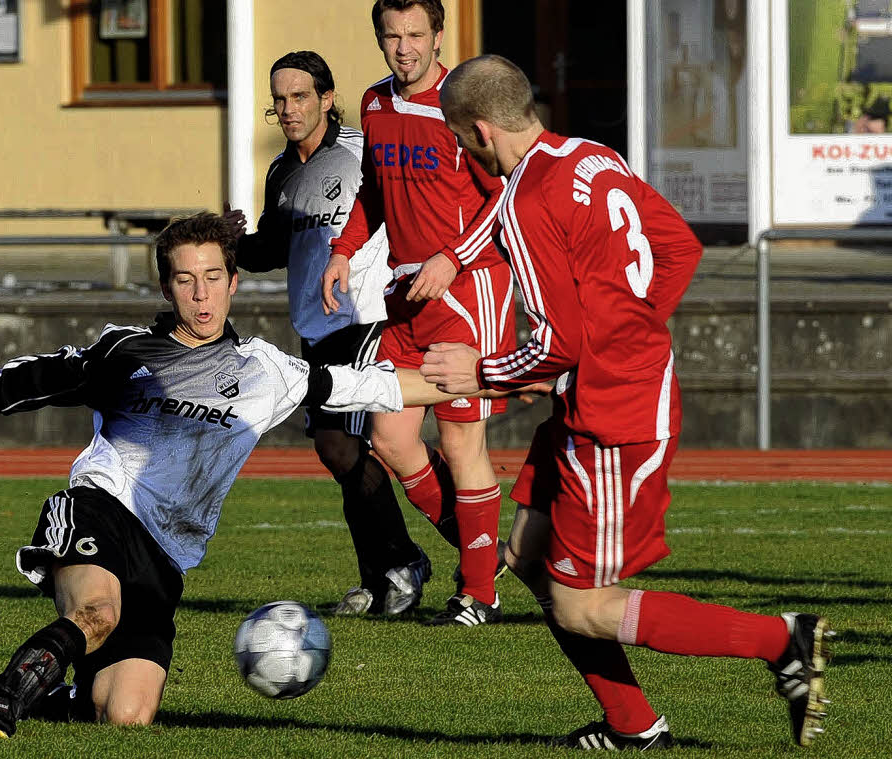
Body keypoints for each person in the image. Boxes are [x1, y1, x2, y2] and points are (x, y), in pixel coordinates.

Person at [0, 211, 523, 739]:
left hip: (169, 555)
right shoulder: (127, 352)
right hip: (102, 509)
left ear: (234, 282)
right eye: (186, 281)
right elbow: (30, 381)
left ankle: (46, 698)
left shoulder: (267, 371)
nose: (201, 294)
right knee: (98, 612)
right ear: (167, 289)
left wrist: (498, 374)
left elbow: (378, 387)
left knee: (126, 716)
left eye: (213, 278)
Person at [422, 55, 833, 749]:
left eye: (461, 139)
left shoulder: (525, 202)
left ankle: (782, 639)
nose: (464, 153)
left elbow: (559, 343)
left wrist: (479, 370)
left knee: (582, 606)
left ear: (483, 130)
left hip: (612, 416)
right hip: (604, 391)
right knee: (526, 553)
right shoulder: (591, 155)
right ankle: (632, 724)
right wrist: (630, 332)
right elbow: (677, 246)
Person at [321, 0, 514, 627]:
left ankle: (478, 593)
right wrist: (344, 250)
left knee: (460, 444)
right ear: (380, 39)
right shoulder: (375, 105)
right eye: (391, 35)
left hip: (466, 296)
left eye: (415, 35)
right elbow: (373, 191)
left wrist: (454, 259)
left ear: (438, 36)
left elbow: (504, 198)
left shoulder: (463, 108)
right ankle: (483, 554)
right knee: (389, 438)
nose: (404, 48)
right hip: (404, 298)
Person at [224, 51, 428, 618]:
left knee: (346, 444)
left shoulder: (365, 153)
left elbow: (412, 208)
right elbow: (272, 246)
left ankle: (406, 565)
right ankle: (386, 573)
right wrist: (226, 244)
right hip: (316, 325)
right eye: (279, 101)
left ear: (326, 98)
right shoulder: (281, 171)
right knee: (338, 451)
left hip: (367, 316)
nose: (288, 110)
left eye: (299, 97)